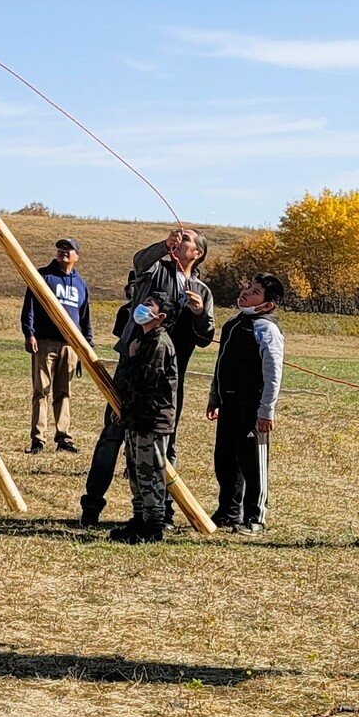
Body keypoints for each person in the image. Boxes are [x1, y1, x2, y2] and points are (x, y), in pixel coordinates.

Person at [81, 228, 214, 524]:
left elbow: (206, 336)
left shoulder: (202, 291)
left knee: (166, 437)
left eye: (187, 239)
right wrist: (163, 246)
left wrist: (199, 313)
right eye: (178, 237)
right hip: (133, 363)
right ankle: (91, 505)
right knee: (114, 431)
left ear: (198, 253)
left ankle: (161, 510)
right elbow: (140, 262)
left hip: (171, 375)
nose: (181, 240)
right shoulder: (157, 270)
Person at [207, 272, 284, 535]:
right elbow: (221, 365)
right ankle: (228, 511)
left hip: (253, 407)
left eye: (254, 292)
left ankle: (255, 517)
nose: (246, 293)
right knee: (225, 459)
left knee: (253, 463)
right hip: (229, 403)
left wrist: (266, 410)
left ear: (267, 304)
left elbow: (273, 373)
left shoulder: (267, 329)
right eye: (247, 288)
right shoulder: (232, 325)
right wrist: (214, 397)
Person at [111, 296, 179, 544]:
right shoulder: (142, 340)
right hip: (135, 417)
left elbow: (145, 381)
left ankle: (153, 524)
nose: (143, 307)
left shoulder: (159, 343)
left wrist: (130, 359)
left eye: (150, 305)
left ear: (161, 317)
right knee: (136, 472)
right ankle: (139, 518)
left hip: (152, 419)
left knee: (150, 473)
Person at [20, 238, 93, 454]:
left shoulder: (80, 284)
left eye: (68, 249)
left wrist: (87, 346)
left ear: (76, 257)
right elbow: (30, 305)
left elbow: (85, 317)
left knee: (64, 392)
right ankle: (38, 439)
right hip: (45, 342)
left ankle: (63, 438)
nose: (63, 251)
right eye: (61, 248)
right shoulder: (44, 276)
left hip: (70, 346)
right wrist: (29, 333)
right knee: (41, 391)